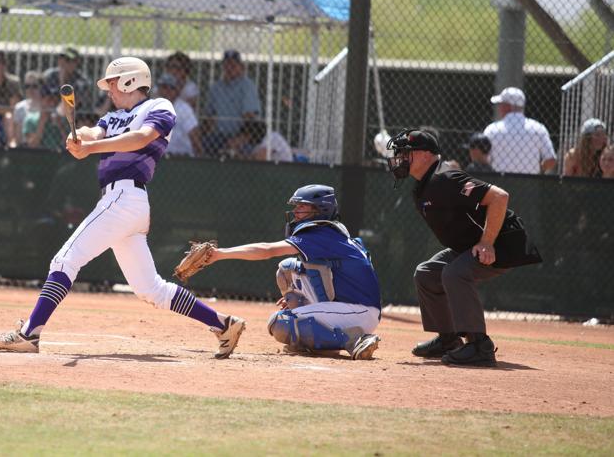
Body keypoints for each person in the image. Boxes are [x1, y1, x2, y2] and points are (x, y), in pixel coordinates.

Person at [0, 56, 246, 359]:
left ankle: (29, 334)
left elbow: (141, 138)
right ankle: (223, 325)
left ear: (129, 81)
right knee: (152, 289)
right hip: (121, 204)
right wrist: (80, 136)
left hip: (126, 198)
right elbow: (96, 132)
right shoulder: (111, 117)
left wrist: (92, 148)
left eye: (111, 83)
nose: (108, 90)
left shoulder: (159, 106)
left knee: (64, 260)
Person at [386, 128, 542, 366]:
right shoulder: (423, 186)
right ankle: (449, 339)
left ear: (427, 155)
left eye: (407, 153)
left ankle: (480, 345)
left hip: (502, 242)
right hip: (471, 246)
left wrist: (487, 242)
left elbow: (499, 197)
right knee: (427, 273)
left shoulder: (445, 178)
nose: (401, 158)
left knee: (455, 273)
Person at [202, 185, 381, 359]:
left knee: (280, 323)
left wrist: (220, 254)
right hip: (346, 306)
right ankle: (320, 343)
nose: (296, 211)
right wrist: (301, 295)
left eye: (302, 206)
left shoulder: (321, 234)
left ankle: (355, 339)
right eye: (296, 206)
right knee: (287, 270)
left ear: (320, 209)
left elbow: (267, 250)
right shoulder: (328, 232)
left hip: (360, 311)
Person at [199, 50, 261, 157]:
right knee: (203, 145)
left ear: (241, 67)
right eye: (227, 64)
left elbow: (250, 117)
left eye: (233, 65)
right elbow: (208, 117)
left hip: (242, 136)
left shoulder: (247, 86)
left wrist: (238, 140)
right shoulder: (216, 88)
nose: (229, 67)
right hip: (219, 135)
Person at [484, 87, 556, 174]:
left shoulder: (492, 129)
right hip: (529, 181)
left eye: (501, 104)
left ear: (507, 106)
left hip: (499, 182)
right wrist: (537, 170)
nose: (499, 108)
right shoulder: (538, 128)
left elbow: (484, 159)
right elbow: (551, 160)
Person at [42, 46, 96, 125]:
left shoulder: (82, 81)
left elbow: (70, 103)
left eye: (67, 60)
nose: (63, 62)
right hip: (50, 114)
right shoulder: (49, 76)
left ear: (76, 62)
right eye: (61, 58)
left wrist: (62, 81)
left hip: (75, 118)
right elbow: (44, 99)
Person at [156, 73, 199, 157]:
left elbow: (194, 136)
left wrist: (200, 155)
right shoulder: (151, 107)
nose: (167, 91)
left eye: (171, 88)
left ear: (177, 91)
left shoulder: (184, 108)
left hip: (181, 156)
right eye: (164, 87)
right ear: (159, 90)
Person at [0, 51, 22, 147]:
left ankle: (11, 144)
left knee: (8, 116)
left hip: (7, 119)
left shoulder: (12, 83)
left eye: (2, 62)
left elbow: (15, 109)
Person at [23, 84, 66, 151]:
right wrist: (42, 122)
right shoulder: (31, 119)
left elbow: (68, 145)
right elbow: (32, 145)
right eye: (49, 100)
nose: (52, 104)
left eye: (55, 100)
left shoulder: (63, 120)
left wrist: (60, 125)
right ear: (41, 100)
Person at [12, 71, 43, 147]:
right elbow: (16, 137)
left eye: (34, 86)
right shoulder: (19, 107)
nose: (30, 89)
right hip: (24, 146)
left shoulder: (46, 107)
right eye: (27, 86)